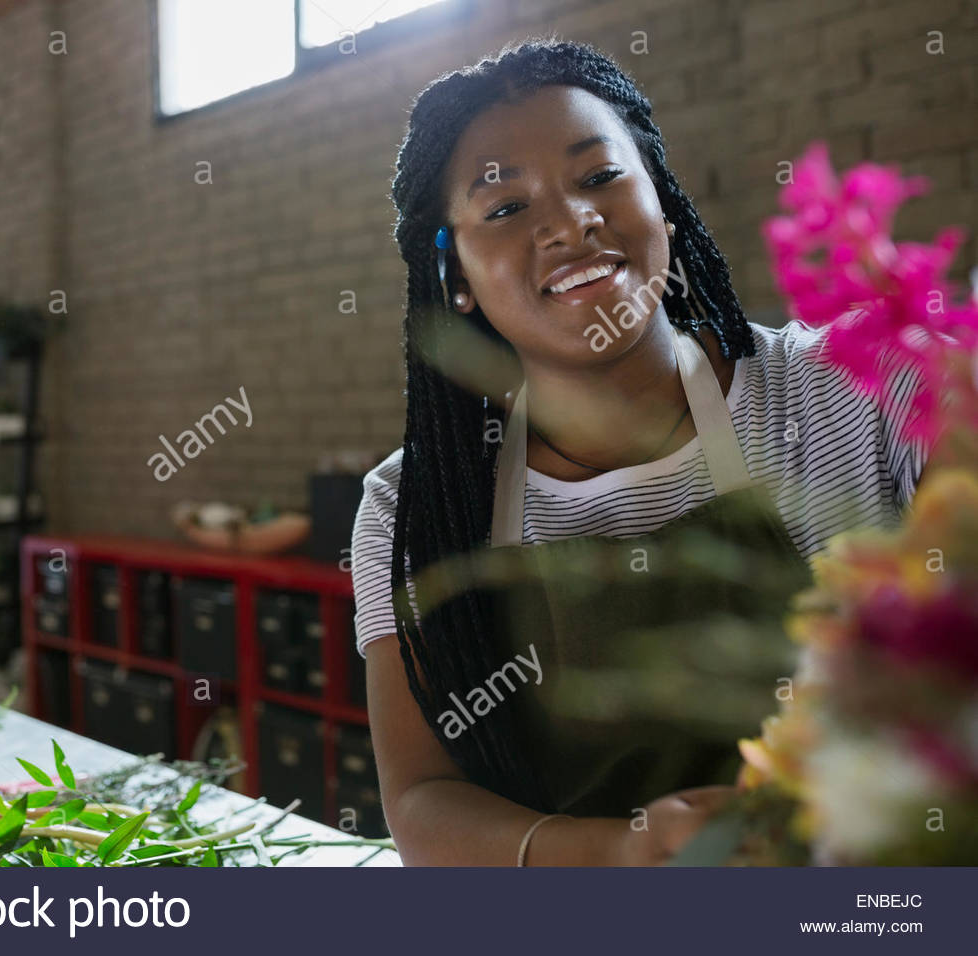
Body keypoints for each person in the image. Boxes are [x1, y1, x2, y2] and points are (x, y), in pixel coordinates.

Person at [351, 38, 931, 866]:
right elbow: (420, 803)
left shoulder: (863, 388)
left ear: (660, 197)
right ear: (456, 278)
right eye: (506, 208)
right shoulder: (412, 510)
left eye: (598, 178)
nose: (570, 222)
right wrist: (624, 854)